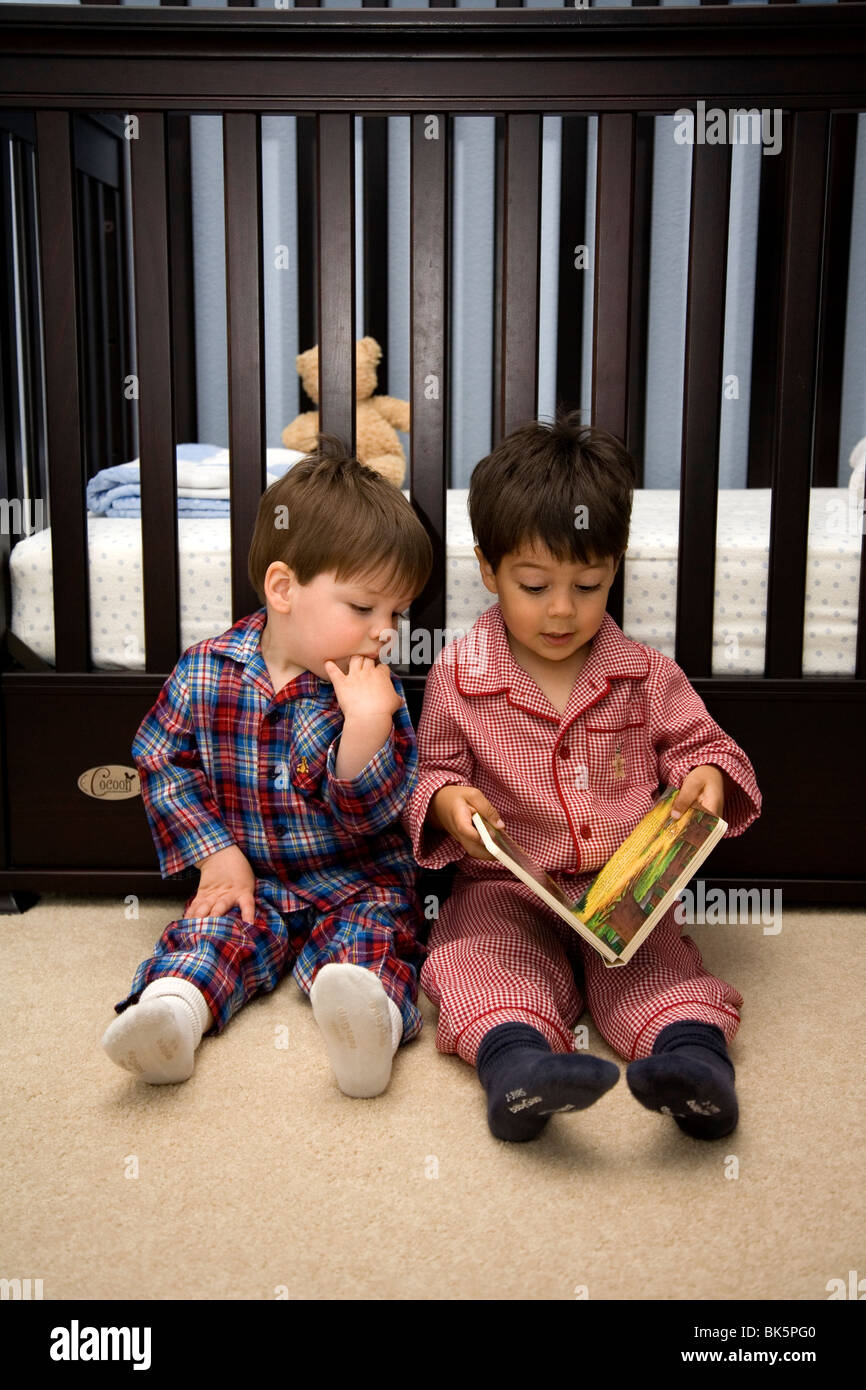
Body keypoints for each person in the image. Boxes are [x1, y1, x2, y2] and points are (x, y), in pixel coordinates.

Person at [401, 412, 761, 1143]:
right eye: (534, 586)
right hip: (511, 888)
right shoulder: (458, 675)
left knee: (658, 970)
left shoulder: (645, 674)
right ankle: (520, 1071)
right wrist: (446, 803)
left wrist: (708, 777)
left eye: (588, 585)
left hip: (623, 891)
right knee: (476, 962)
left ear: (616, 568)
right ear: (488, 569)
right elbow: (432, 769)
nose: (562, 610)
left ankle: (694, 1070)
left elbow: (704, 744)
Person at [102, 440, 433, 1098]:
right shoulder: (206, 670)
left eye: (395, 613)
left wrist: (365, 729)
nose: (383, 631)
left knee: (370, 944)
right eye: (364, 608)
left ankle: (373, 1029)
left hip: (353, 880)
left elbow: (377, 816)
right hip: (251, 878)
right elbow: (162, 762)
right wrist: (216, 853)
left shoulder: (372, 693)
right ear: (283, 588)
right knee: (211, 930)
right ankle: (171, 1015)